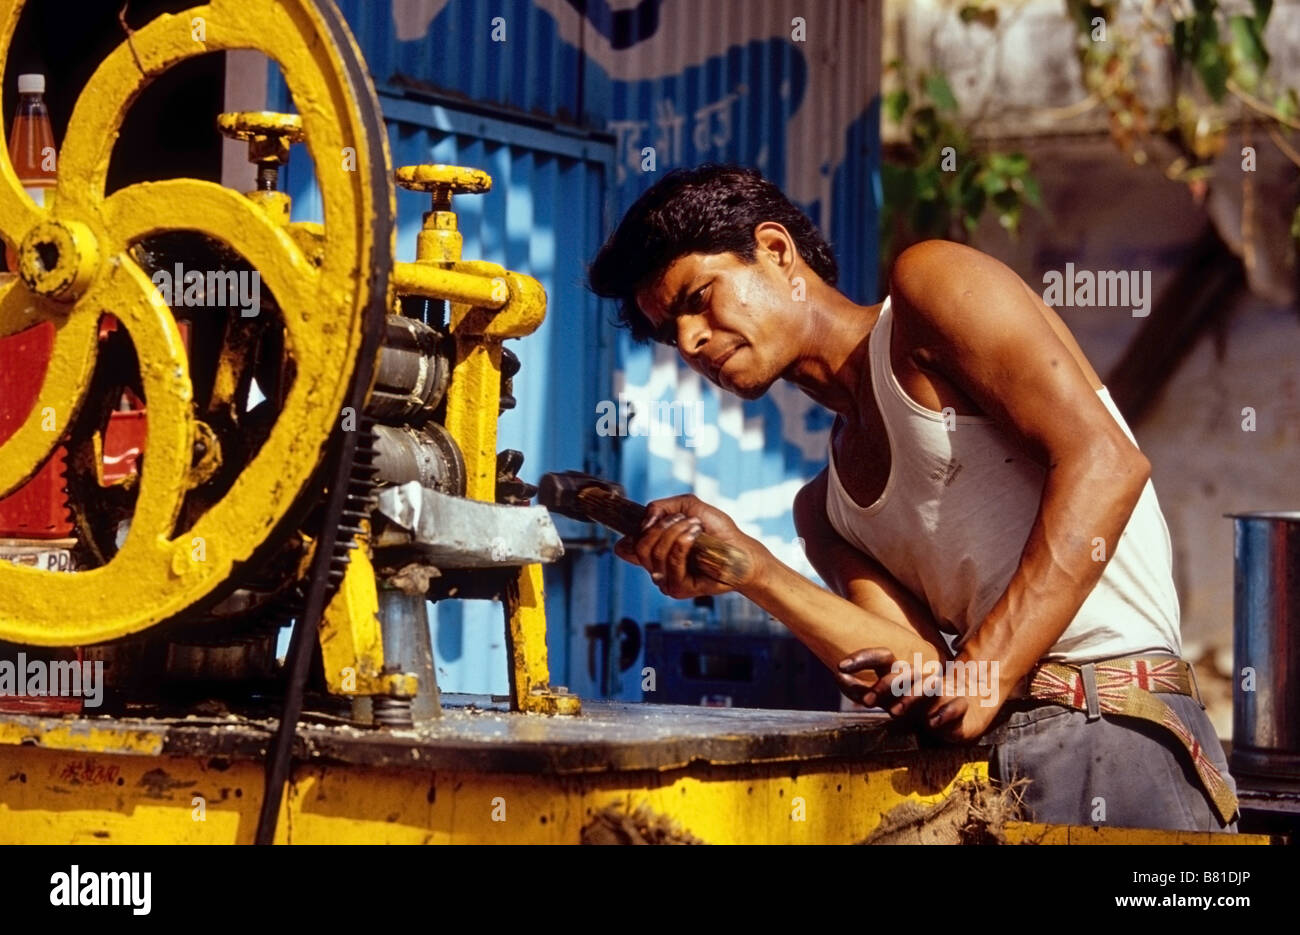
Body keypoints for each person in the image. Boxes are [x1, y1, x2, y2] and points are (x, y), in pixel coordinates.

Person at [586, 164, 1237, 832]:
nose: (691, 341)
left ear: (777, 252)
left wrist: (987, 667)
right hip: (995, 770)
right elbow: (922, 674)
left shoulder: (929, 292)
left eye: (699, 298)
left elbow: (1106, 461)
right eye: (672, 333)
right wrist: (749, 568)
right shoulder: (825, 512)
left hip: (1116, 729)